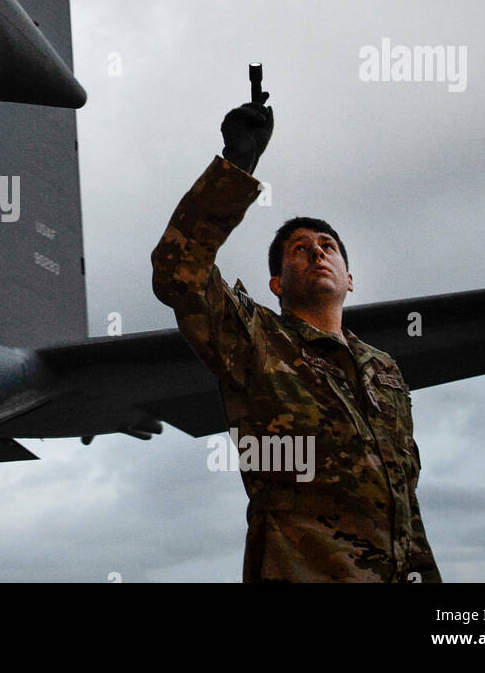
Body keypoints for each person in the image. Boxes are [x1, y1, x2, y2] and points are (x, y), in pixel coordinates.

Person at [150, 87, 440, 582]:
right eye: (299, 248)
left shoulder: (384, 370)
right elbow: (179, 272)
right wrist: (235, 168)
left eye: (328, 246)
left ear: (349, 278)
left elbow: (402, 499)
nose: (316, 252)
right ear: (277, 283)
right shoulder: (256, 340)